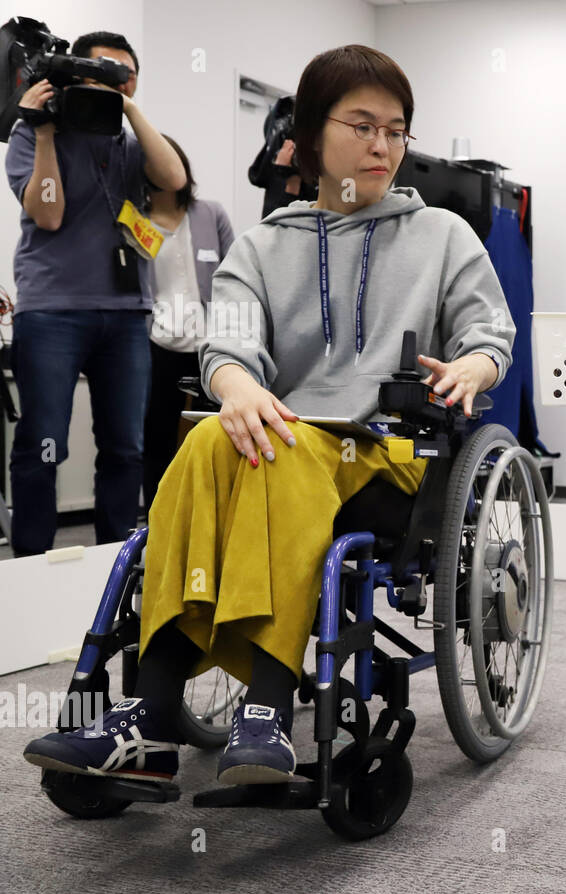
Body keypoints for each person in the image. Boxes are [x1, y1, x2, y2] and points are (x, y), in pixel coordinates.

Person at [23, 43, 514, 788]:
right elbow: (229, 345)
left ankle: (269, 705)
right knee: (202, 445)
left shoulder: (442, 235)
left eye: (396, 128)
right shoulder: (261, 245)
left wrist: (474, 365)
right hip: (277, 435)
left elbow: (488, 337)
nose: (382, 144)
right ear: (313, 134)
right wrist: (236, 386)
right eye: (363, 125)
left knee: (273, 448)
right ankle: (152, 721)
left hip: (383, 452)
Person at [4, 31, 186, 557]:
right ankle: (32, 562)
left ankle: (113, 563)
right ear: (71, 69)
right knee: (42, 445)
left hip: (127, 314)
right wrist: (42, 133)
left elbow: (173, 177)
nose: (114, 79)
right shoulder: (31, 134)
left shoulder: (131, 142)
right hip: (52, 311)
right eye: (102, 69)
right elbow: (49, 213)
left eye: (126, 74)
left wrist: (125, 104)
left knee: (125, 449)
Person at [143, 134, 235, 511]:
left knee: (216, 433)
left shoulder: (210, 213)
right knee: (157, 435)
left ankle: (213, 513)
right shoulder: (133, 219)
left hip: (208, 344)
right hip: (156, 341)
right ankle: (157, 516)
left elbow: (235, 274)